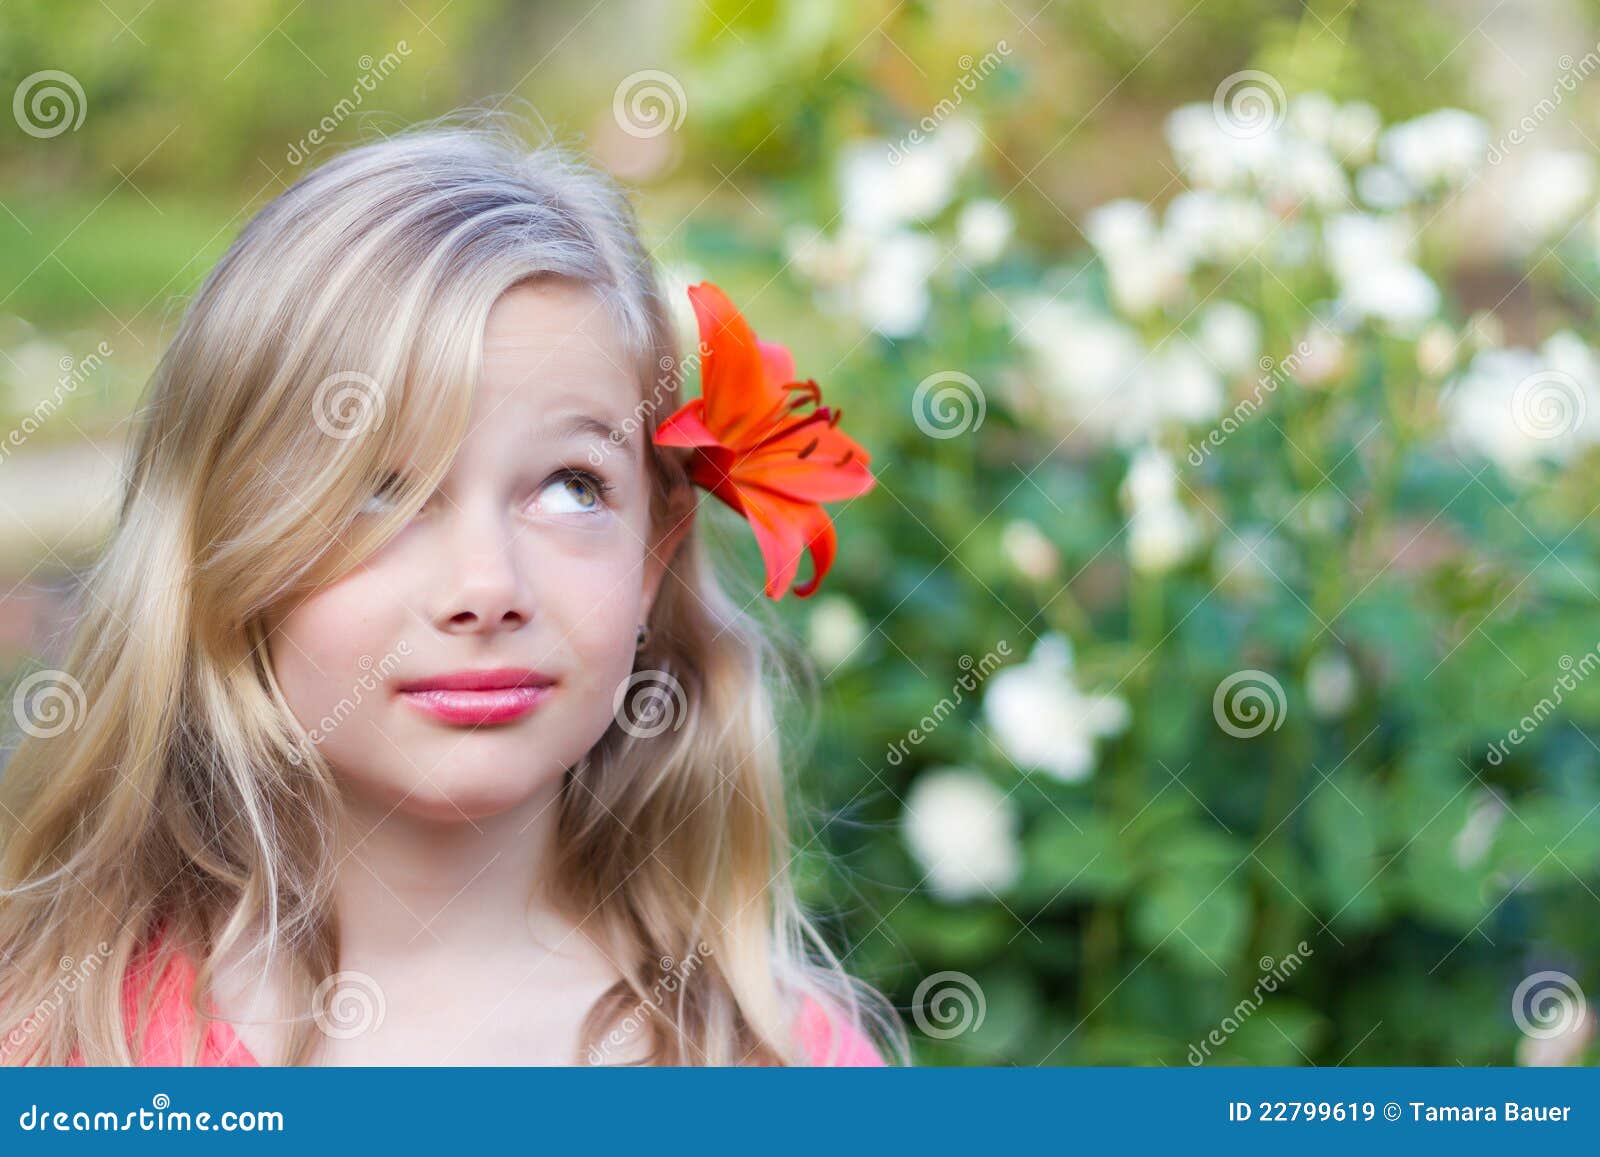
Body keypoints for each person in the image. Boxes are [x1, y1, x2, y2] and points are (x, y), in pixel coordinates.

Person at [0, 116, 902, 1067]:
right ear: (223, 546)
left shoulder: (786, 1065)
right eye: (377, 492)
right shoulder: (61, 1046)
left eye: (570, 486)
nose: (487, 587)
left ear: (652, 555)